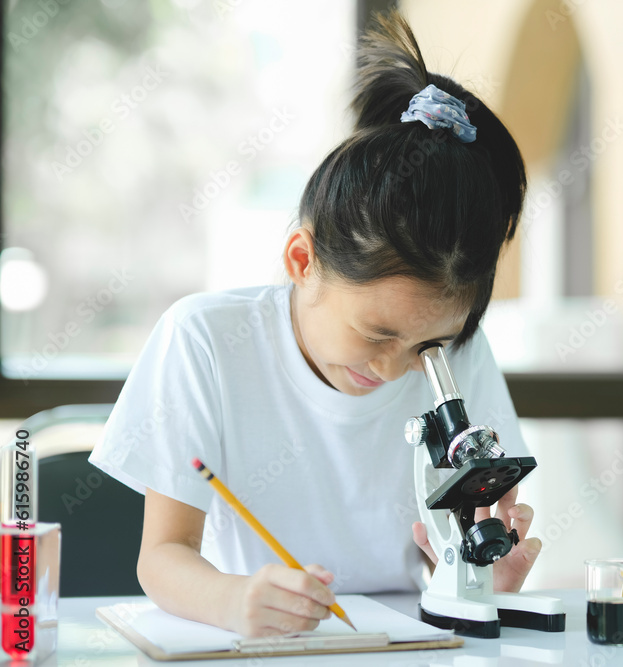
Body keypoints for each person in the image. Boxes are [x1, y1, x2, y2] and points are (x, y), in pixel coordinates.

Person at [89, 11, 539, 637]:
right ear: (302, 260)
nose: (392, 367)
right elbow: (163, 559)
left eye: (426, 346)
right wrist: (234, 600)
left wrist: (483, 578)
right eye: (377, 334)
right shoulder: (206, 341)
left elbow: (467, 552)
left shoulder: (460, 352)